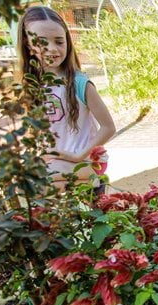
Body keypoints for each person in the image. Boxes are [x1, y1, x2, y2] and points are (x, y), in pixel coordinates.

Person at [17, 6, 115, 189]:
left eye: (59, 41)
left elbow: (108, 127)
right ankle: (88, 190)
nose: (52, 49)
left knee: (34, 183)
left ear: (67, 42)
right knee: (24, 183)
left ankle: (93, 185)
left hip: (86, 160)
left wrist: (78, 156)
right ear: (28, 45)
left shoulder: (79, 83)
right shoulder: (31, 86)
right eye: (42, 42)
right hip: (56, 161)